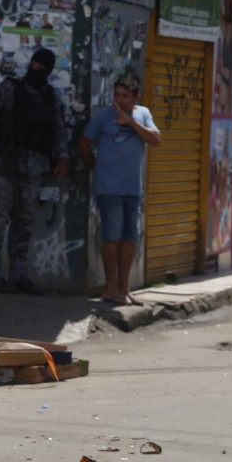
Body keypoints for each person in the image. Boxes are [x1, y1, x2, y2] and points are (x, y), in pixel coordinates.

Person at [79, 75, 161, 306]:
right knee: (112, 238)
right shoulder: (103, 117)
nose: (120, 99)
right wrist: (96, 167)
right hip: (109, 187)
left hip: (132, 188)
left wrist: (130, 122)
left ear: (135, 97)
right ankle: (110, 289)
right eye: (117, 95)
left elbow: (156, 139)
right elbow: (84, 143)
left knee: (129, 239)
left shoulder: (143, 114)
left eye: (125, 96)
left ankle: (124, 289)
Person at [0, 47, 70, 293]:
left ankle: (18, 275)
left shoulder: (52, 97)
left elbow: (59, 130)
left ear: (48, 71)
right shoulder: (9, 89)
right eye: (34, 66)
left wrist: (62, 157)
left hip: (34, 166)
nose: (36, 71)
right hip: (4, 165)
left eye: (41, 68)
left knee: (24, 223)